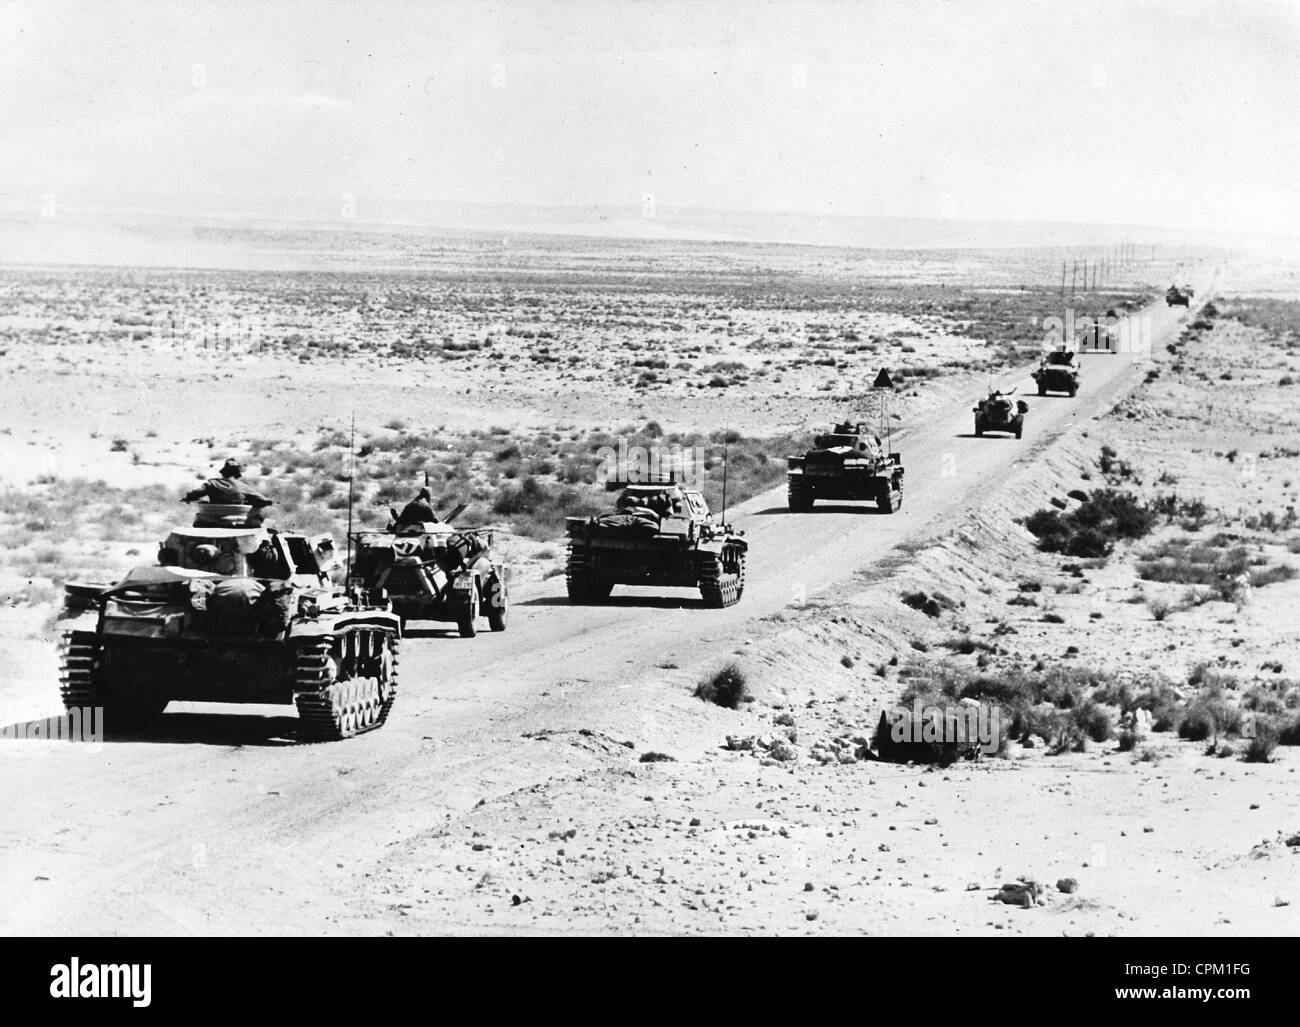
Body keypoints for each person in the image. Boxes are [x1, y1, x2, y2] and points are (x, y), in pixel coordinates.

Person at [184, 459, 272, 510]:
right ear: (237, 474)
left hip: (212, 520)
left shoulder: (212, 483)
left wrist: (187, 498)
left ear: (223, 472)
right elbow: (262, 500)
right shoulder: (244, 487)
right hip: (239, 522)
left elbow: (195, 493)